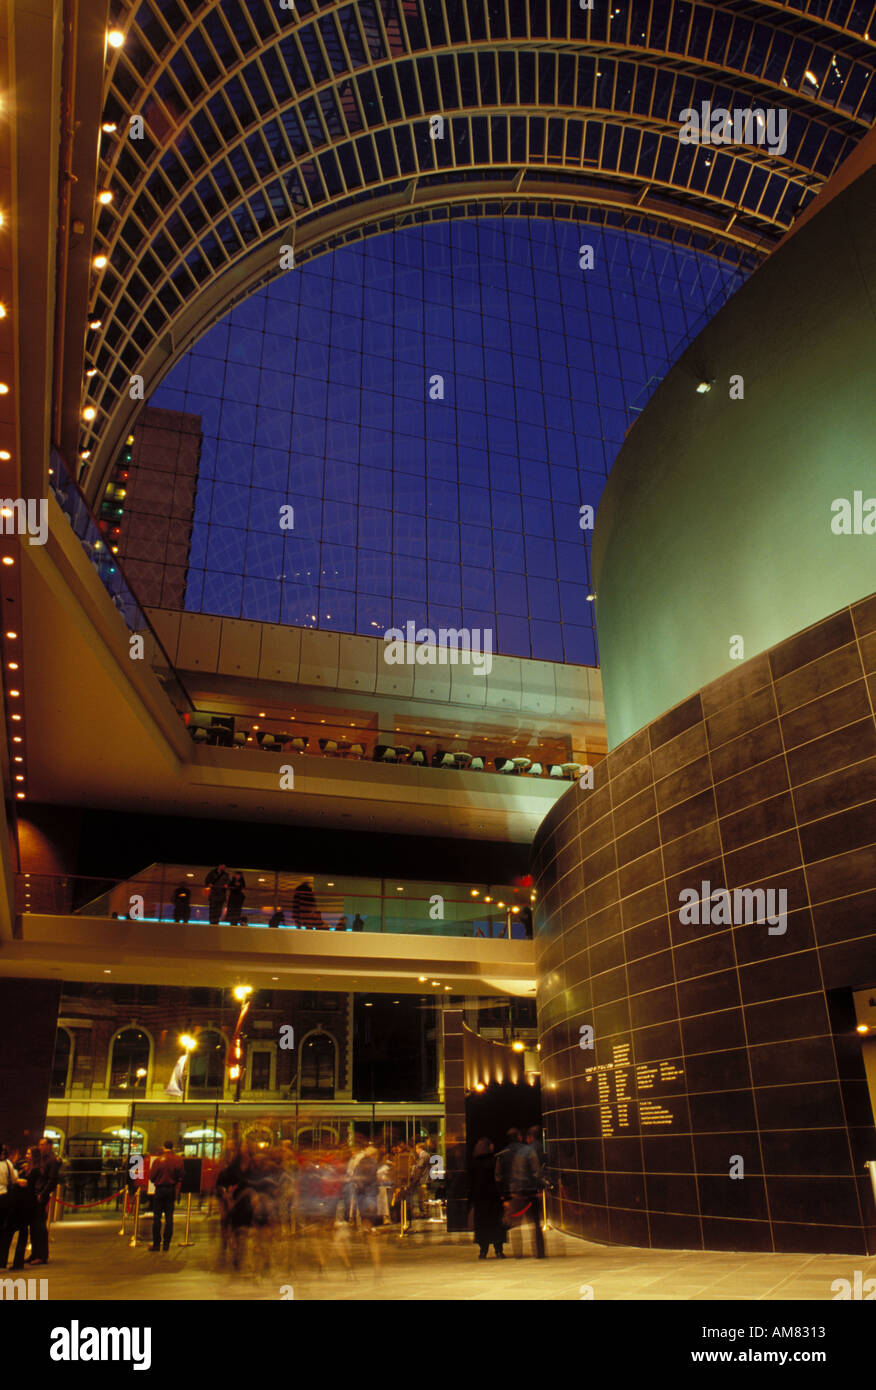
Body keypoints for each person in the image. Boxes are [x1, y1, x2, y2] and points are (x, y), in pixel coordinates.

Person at [495, 1127, 545, 1259]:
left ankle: (518, 1253)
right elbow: (535, 1172)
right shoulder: (527, 1151)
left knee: (515, 1224)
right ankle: (539, 1252)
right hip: (531, 1191)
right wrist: (539, 1186)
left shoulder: (502, 1154)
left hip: (514, 1193)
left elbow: (498, 1176)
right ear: (519, 1137)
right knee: (536, 1223)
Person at [27, 1137, 61, 1265]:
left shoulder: (52, 1161)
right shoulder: (42, 1159)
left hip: (41, 1195)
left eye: (42, 1144)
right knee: (34, 1226)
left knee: (40, 1225)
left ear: (49, 1145)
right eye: (39, 1144)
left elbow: (52, 1180)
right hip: (35, 1194)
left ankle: (41, 1255)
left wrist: (43, 1193)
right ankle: (34, 1253)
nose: (40, 1146)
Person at [470, 1138, 506, 1259]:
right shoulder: (495, 1160)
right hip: (493, 1197)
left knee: (482, 1225)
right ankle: (498, 1250)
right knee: (496, 1223)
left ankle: (483, 1251)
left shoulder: (474, 1162)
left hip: (480, 1198)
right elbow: (498, 1178)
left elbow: (472, 1181)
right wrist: (502, 1194)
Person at [149, 1141, 184, 1252]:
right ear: (172, 1147)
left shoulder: (158, 1160)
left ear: (163, 1147)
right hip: (171, 1190)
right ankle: (166, 1244)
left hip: (159, 1190)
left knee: (157, 1217)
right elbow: (182, 1175)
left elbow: (152, 1177)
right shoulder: (178, 1159)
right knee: (169, 1218)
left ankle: (156, 1244)